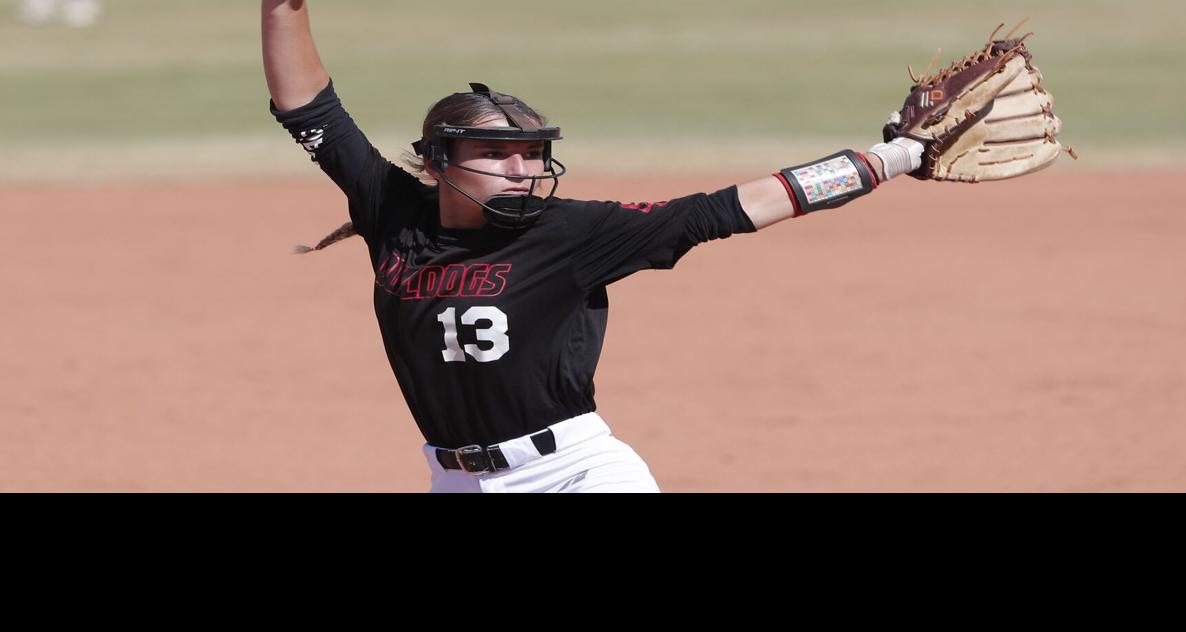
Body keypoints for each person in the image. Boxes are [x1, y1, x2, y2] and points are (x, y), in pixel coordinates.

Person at [261, 0, 927, 493]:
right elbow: (307, 106)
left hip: (577, 474)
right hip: (455, 481)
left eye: (530, 154)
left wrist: (889, 157)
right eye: (495, 154)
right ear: (436, 161)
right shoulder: (392, 212)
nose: (520, 169)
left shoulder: (571, 233)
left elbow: (730, 209)